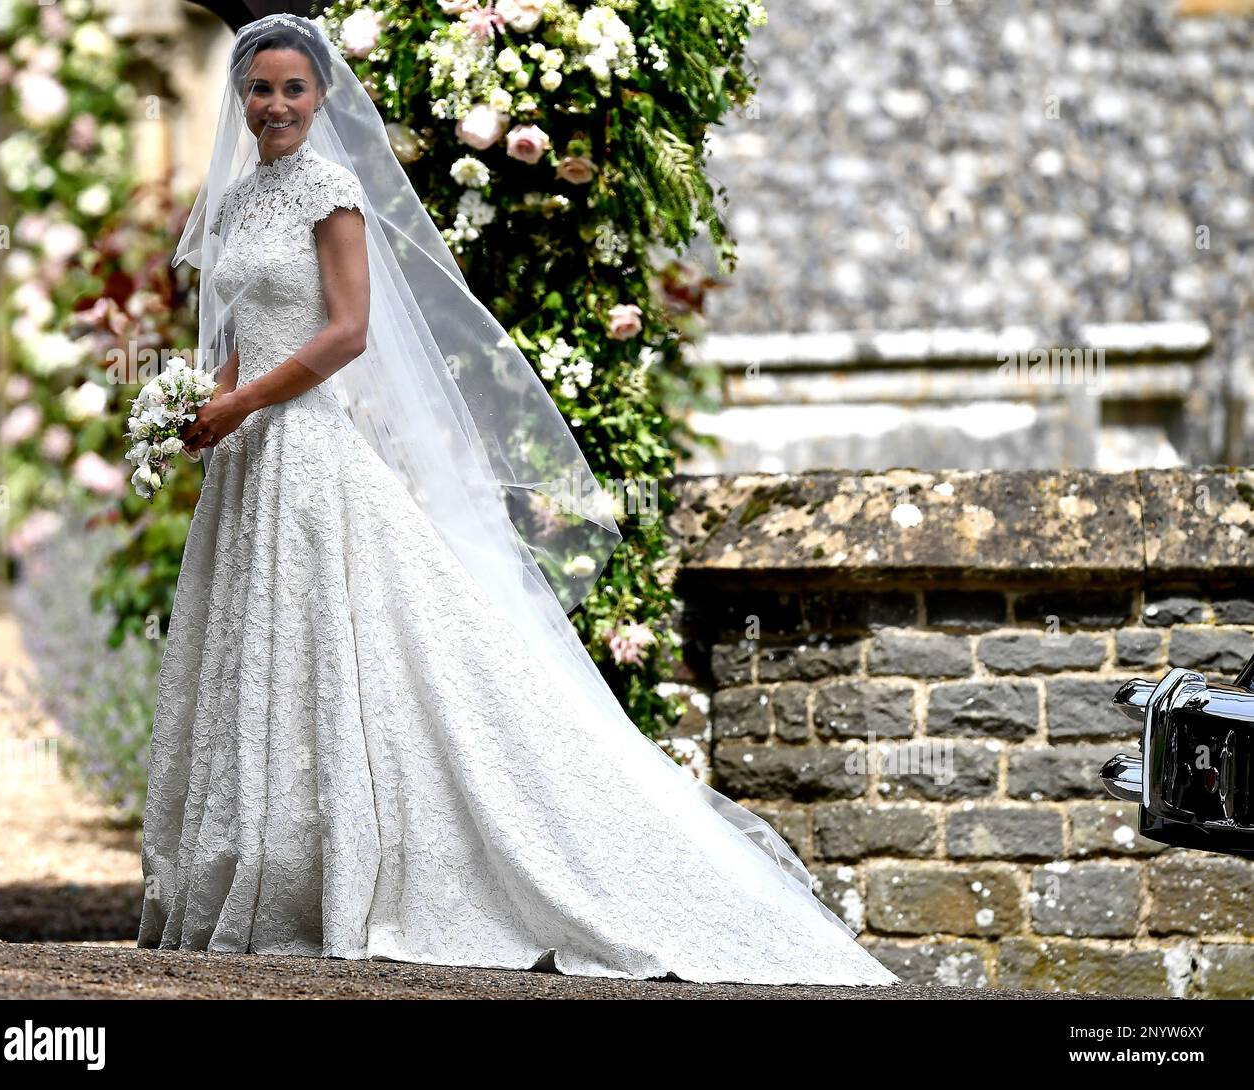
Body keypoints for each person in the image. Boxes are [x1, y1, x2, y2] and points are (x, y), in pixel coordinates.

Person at [136, 12, 900, 987]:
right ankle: (274, 865)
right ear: (239, 100)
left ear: (320, 97)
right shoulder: (240, 203)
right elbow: (250, 329)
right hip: (251, 460)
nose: (275, 104)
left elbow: (347, 333)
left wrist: (245, 398)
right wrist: (208, 408)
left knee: (365, 646)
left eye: (292, 88)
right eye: (259, 89)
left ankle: (397, 861)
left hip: (314, 449)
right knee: (261, 651)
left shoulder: (332, 194)